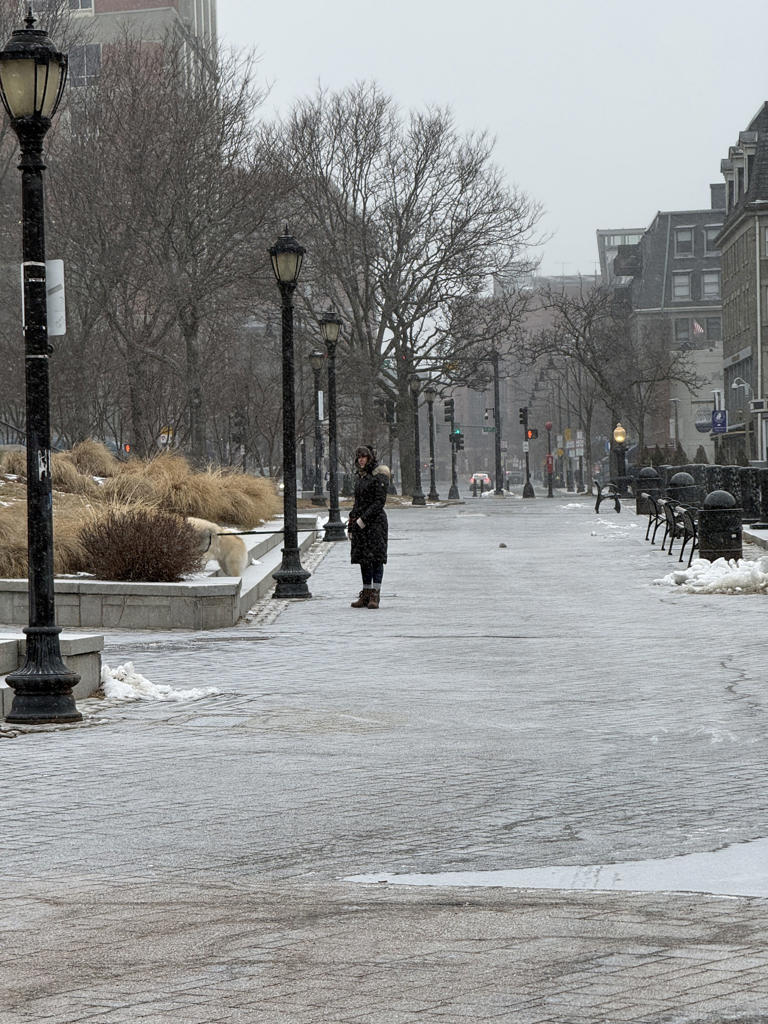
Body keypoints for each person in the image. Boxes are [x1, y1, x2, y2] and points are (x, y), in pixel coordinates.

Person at [347, 444, 390, 609]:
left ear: (370, 458)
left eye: (364, 456)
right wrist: (352, 521)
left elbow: (379, 502)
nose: (361, 460)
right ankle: (365, 592)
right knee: (364, 559)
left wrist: (363, 519)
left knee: (376, 559)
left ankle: (375, 594)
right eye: (359, 457)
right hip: (361, 523)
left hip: (376, 523)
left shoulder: (379, 477)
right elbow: (358, 502)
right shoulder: (361, 477)